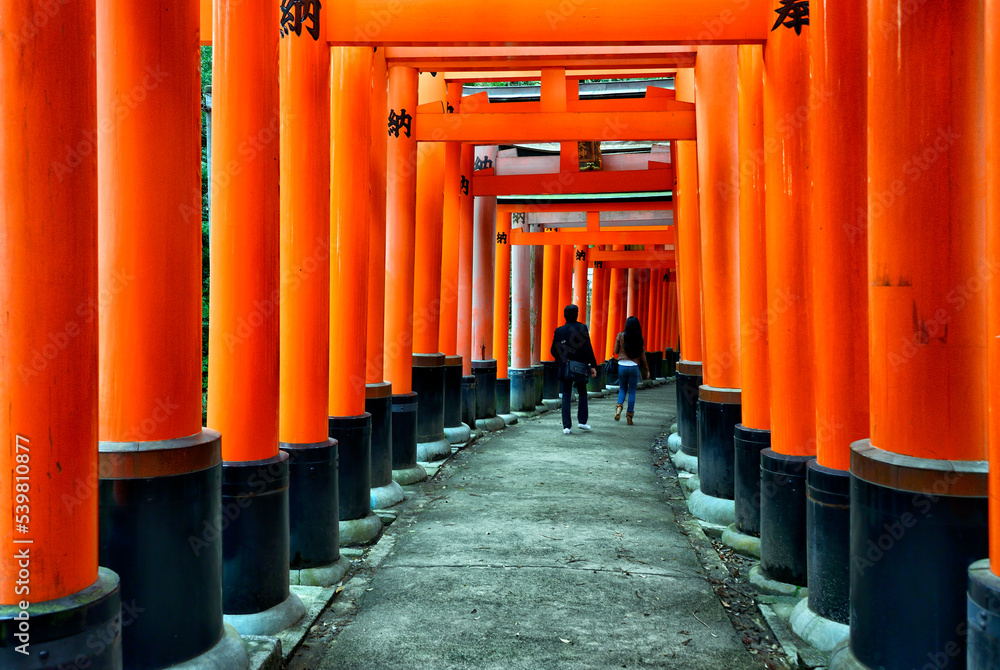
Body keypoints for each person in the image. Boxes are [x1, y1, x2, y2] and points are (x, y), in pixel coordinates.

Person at [550, 304, 598, 434]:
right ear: (577, 314)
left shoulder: (559, 331)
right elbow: (588, 348)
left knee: (566, 395)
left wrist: (563, 358)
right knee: (582, 393)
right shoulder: (582, 328)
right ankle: (582, 422)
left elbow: (553, 350)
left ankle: (566, 426)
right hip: (580, 367)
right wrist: (593, 365)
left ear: (564, 315)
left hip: (565, 367)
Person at [613, 316, 650, 425]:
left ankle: (619, 406)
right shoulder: (639, 338)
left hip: (622, 366)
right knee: (632, 391)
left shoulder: (620, 335)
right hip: (634, 366)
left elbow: (615, 351)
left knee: (622, 389)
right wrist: (647, 369)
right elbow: (642, 355)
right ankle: (629, 415)